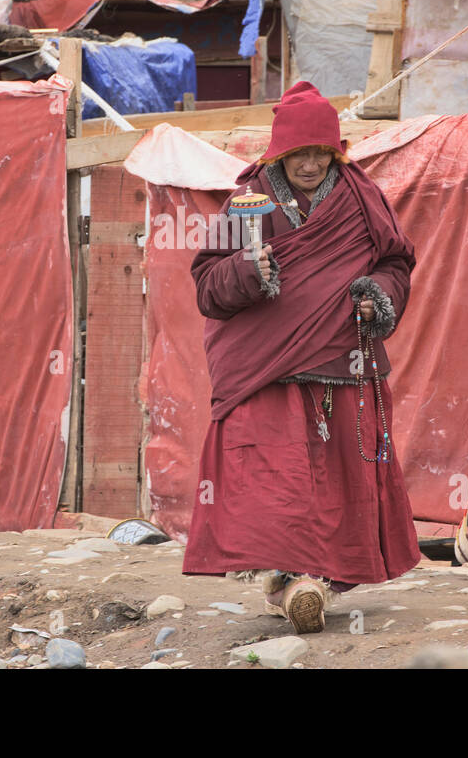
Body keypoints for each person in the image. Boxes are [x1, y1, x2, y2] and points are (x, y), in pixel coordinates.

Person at [181, 80, 420, 634]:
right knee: (275, 480)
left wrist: (377, 295)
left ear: (336, 152)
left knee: (340, 480)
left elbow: (397, 264)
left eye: (320, 153)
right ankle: (289, 575)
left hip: (342, 361)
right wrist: (248, 271)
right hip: (265, 368)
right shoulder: (249, 203)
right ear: (278, 154)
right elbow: (207, 287)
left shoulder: (363, 199)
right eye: (298, 154)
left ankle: (307, 582)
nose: (310, 165)